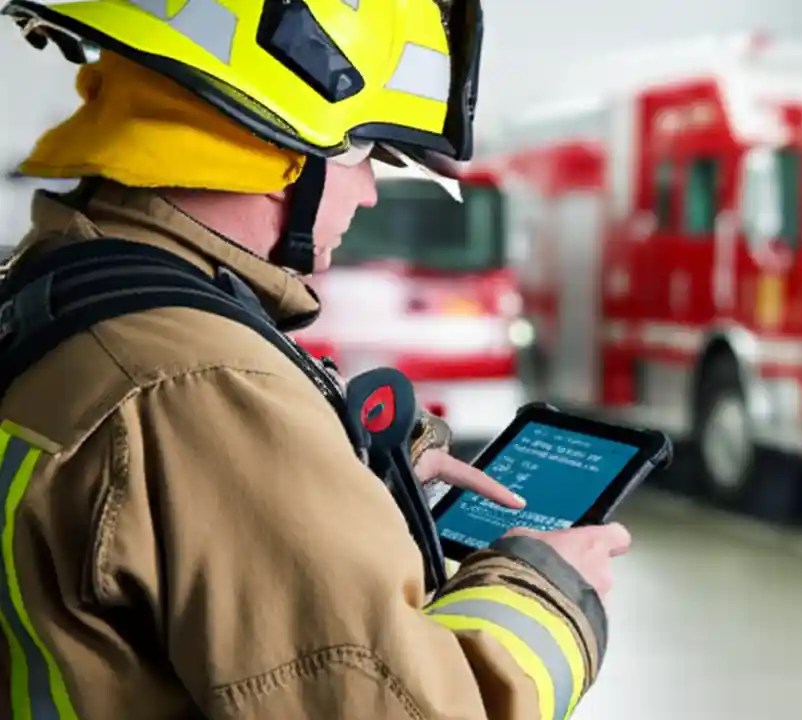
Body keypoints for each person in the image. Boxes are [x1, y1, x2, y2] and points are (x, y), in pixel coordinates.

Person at [0, 1, 631, 718]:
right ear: (273, 148)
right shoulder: (207, 387)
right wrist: (545, 594)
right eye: (364, 154)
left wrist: (335, 460)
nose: (366, 193)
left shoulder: (56, 290)